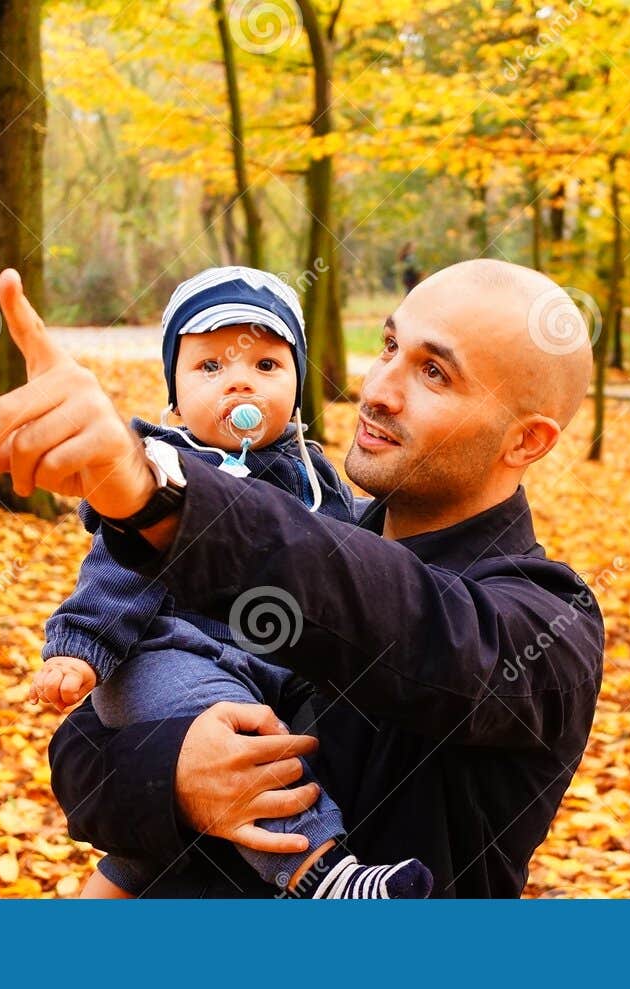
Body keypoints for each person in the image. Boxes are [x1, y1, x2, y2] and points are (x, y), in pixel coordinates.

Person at [0, 258, 604, 897]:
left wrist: (158, 488)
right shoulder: (324, 528)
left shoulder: (549, 628)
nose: (375, 391)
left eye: (433, 372)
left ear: (526, 442)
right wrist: (174, 770)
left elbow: (390, 614)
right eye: (389, 346)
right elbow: (79, 754)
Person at [31, 266, 432, 898]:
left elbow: (339, 543)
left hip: (266, 663)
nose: (240, 377)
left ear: (297, 388)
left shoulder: (312, 473)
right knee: (244, 743)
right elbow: (120, 566)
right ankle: (320, 875)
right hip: (167, 661)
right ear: (173, 398)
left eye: (267, 365)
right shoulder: (160, 470)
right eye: (210, 366)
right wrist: (80, 647)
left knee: (168, 840)